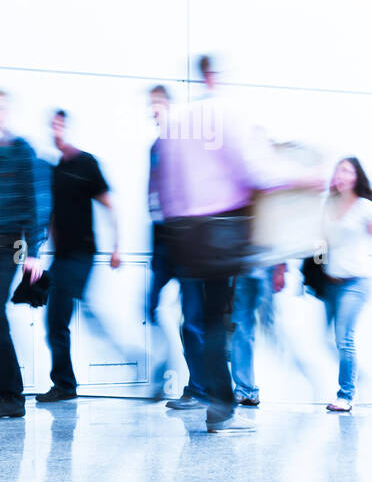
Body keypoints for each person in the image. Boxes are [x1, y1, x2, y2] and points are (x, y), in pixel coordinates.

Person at [153, 55, 316, 434]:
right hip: (222, 234)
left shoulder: (176, 124)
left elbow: (163, 190)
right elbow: (259, 174)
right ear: (216, 76)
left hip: (186, 236)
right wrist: (308, 178)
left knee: (204, 322)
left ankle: (219, 403)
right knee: (219, 323)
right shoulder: (230, 115)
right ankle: (223, 409)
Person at [37, 110, 120, 403]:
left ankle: (70, 380)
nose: (56, 130)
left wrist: (117, 246)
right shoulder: (53, 170)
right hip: (60, 257)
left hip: (82, 254)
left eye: (60, 124)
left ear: (68, 128)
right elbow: (51, 217)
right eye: (52, 125)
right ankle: (65, 385)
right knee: (55, 322)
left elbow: (109, 204)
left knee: (65, 314)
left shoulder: (86, 163)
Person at [0, 89, 44, 419]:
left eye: (1, 107)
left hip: (11, 245)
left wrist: (33, 250)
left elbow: (33, 200)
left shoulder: (21, 149)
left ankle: (12, 397)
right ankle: (10, 395)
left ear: (10, 110)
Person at [146, 85, 207, 407]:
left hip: (187, 239)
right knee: (150, 307)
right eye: (150, 105)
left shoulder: (184, 143)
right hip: (162, 238)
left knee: (193, 318)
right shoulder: (155, 146)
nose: (153, 110)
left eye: (157, 104)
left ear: (169, 106)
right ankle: (174, 376)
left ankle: (199, 388)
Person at [319, 156, 372, 413]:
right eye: (337, 171)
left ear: (356, 177)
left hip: (356, 281)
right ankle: (355, 373)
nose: (340, 175)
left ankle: (345, 396)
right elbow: (321, 242)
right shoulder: (328, 205)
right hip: (331, 282)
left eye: (346, 171)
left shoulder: (364, 206)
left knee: (344, 338)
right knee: (329, 338)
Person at [228, 262, 285, 407]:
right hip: (245, 268)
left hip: (267, 267)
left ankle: (246, 390)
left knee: (269, 327)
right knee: (242, 329)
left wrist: (280, 267)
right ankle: (246, 390)